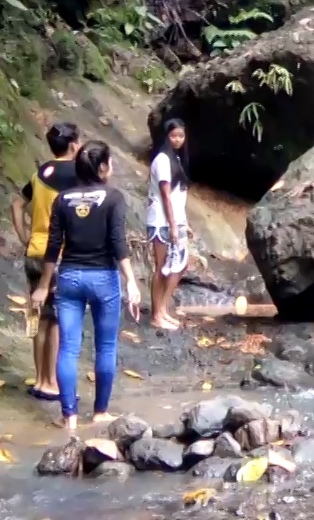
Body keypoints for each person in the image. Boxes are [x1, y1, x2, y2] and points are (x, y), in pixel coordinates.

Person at [32, 141, 141, 435]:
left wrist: (43, 286)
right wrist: (131, 280)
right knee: (105, 346)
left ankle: (69, 418)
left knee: (68, 348)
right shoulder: (114, 198)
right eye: (111, 163)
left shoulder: (63, 199)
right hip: (104, 278)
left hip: (69, 278)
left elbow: (54, 247)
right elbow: (118, 242)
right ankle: (100, 412)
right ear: (103, 167)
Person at [11, 122, 81, 402]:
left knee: (38, 317)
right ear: (74, 145)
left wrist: (23, 236)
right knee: (54, 321)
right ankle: (51, 383)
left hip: (34, 251)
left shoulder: (40, 173)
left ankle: (40, 379)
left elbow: (17, 204)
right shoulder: (77, 175)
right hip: (59, 254)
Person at [145, 119, 191, 331]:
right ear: (166, 137)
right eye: (173, 136)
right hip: (161, 221)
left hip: (176, 220)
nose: (178, 140)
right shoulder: (163, 160)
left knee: (180, 264)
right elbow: (165, 196)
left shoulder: (177, 159)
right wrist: (173, 225)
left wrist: (184, 223)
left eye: (181, 136)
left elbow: (178, 196)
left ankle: (163, 309)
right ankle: (156, 315)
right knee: (162, 268)